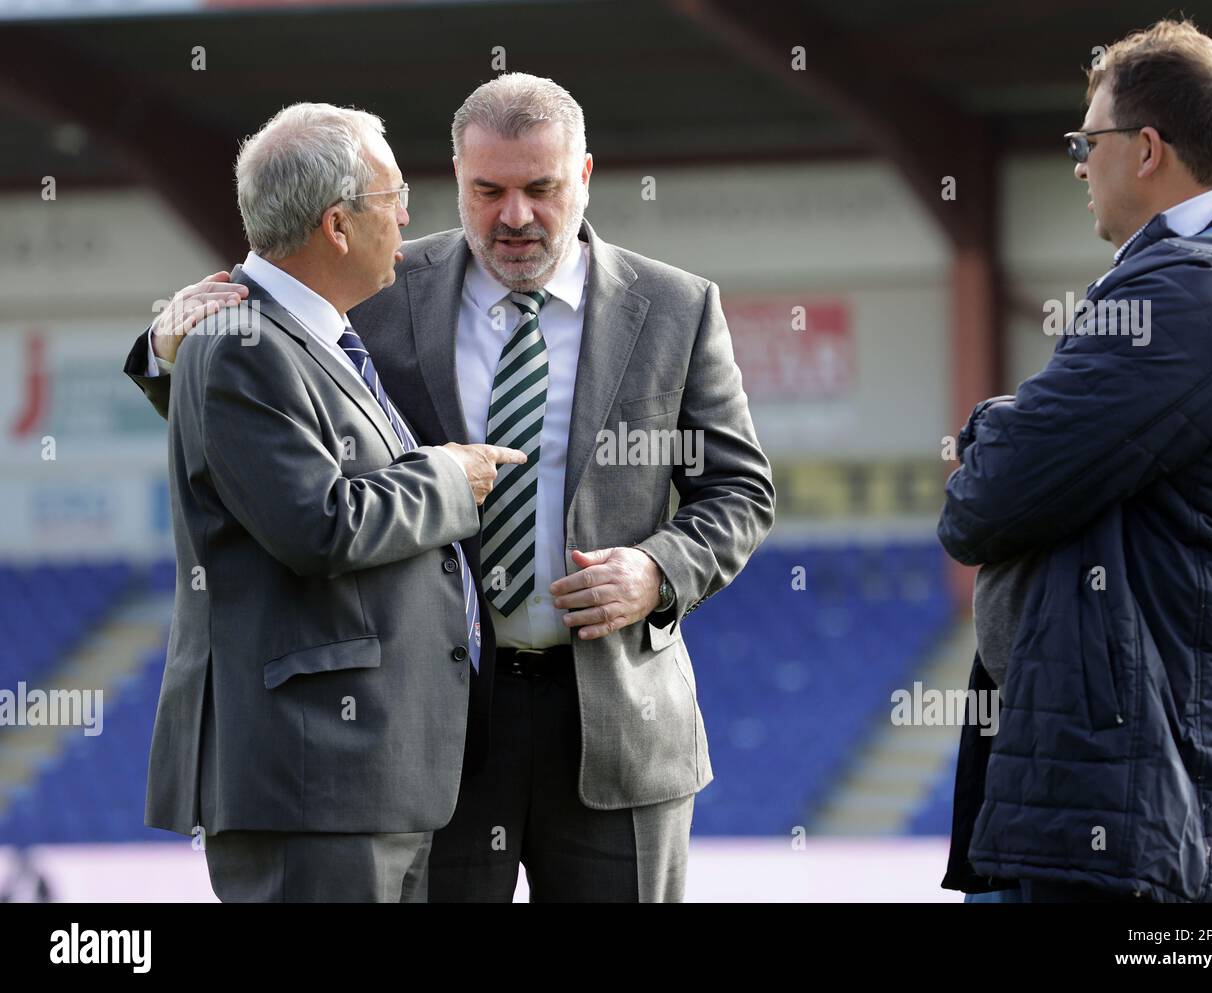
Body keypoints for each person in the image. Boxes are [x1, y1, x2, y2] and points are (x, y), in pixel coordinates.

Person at [128, 74, 775, 902]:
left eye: (540, 189)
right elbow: (264, 412)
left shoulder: (677, 308)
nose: (513, 216)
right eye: (488, 190)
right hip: (430, 725)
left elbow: (741, 492)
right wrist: (163, 348)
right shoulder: (376, 282)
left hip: (619, 726)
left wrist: (658, 572)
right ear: (456, 181)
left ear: (582, 178)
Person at [940, 18, 1212, 902]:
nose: (1076, 164)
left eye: (1085, 141)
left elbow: (981, 501)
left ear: (1146, 150)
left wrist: (998, 419)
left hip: (1140, 814)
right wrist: (1024, 421)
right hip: (1154, 804)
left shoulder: (1189, 287)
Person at [127, 102, 524, 902]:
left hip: (369, 777)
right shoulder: (240, 342)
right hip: (313, 778)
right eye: (395, 196)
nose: (410, 216)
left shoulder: (317, 334)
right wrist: (450, 478)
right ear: (337, 225)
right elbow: (319, 523)